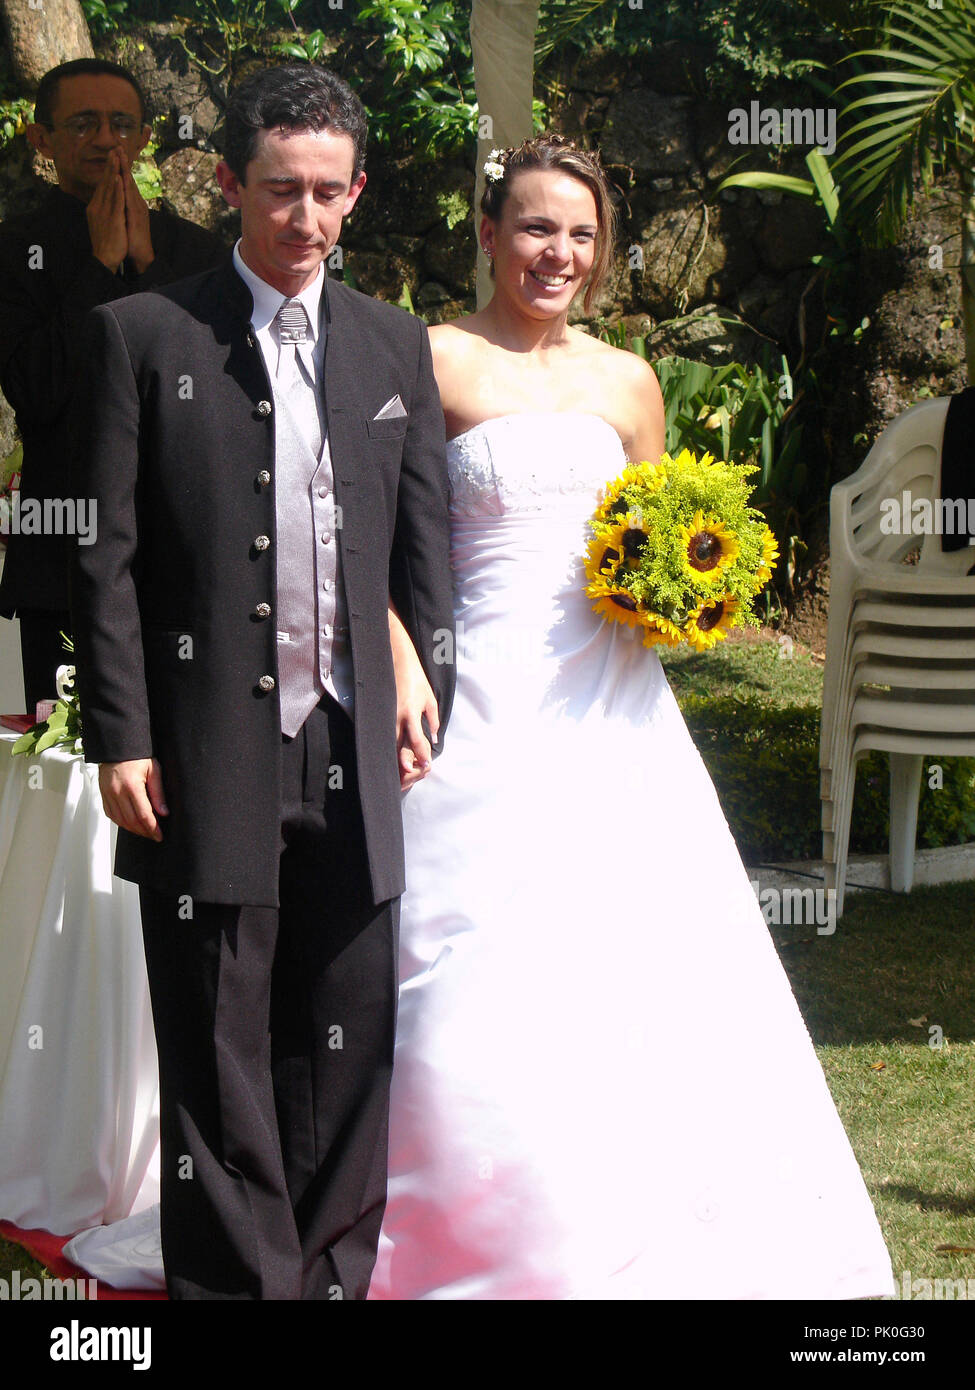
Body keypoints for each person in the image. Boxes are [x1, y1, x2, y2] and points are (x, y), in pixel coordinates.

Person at [368, 135, 896, 1300]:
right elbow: (371, 548)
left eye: (579, 234)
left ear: (601, 254)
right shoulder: (431, 358)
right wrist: (402, 653)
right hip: (477, 695)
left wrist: (687, 598)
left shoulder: (629, 382)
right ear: (492, 231)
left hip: (616, 700)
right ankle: (468, 1232)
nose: (556, 251)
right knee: (466, 969)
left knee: (647, 964)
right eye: (534, 227)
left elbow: (660, 528)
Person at [69, 63, 454, 1300]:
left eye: (328, 194)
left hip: (352, 750)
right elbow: (105, 558)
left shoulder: (396, 340)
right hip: (202, 751)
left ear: (355, 195)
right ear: (229, 182)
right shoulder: (143, 336)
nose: (305, 219)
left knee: (346, 1048)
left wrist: (423, 672)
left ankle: (334, 1281)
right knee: (220, 1045)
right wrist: (121, 731)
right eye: (281, 189)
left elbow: (421, 546)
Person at [0, 58, 226, 713]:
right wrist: (98, 268)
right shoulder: (14, 251)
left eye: (121, 123)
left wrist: (150, 270)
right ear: (41, 139)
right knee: (52, 775)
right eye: (83, 123)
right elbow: (37, 392)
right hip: (56, 562)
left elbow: (207, 391)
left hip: (180, 557)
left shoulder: (195, 253)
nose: (105, 140)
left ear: (146, 137)